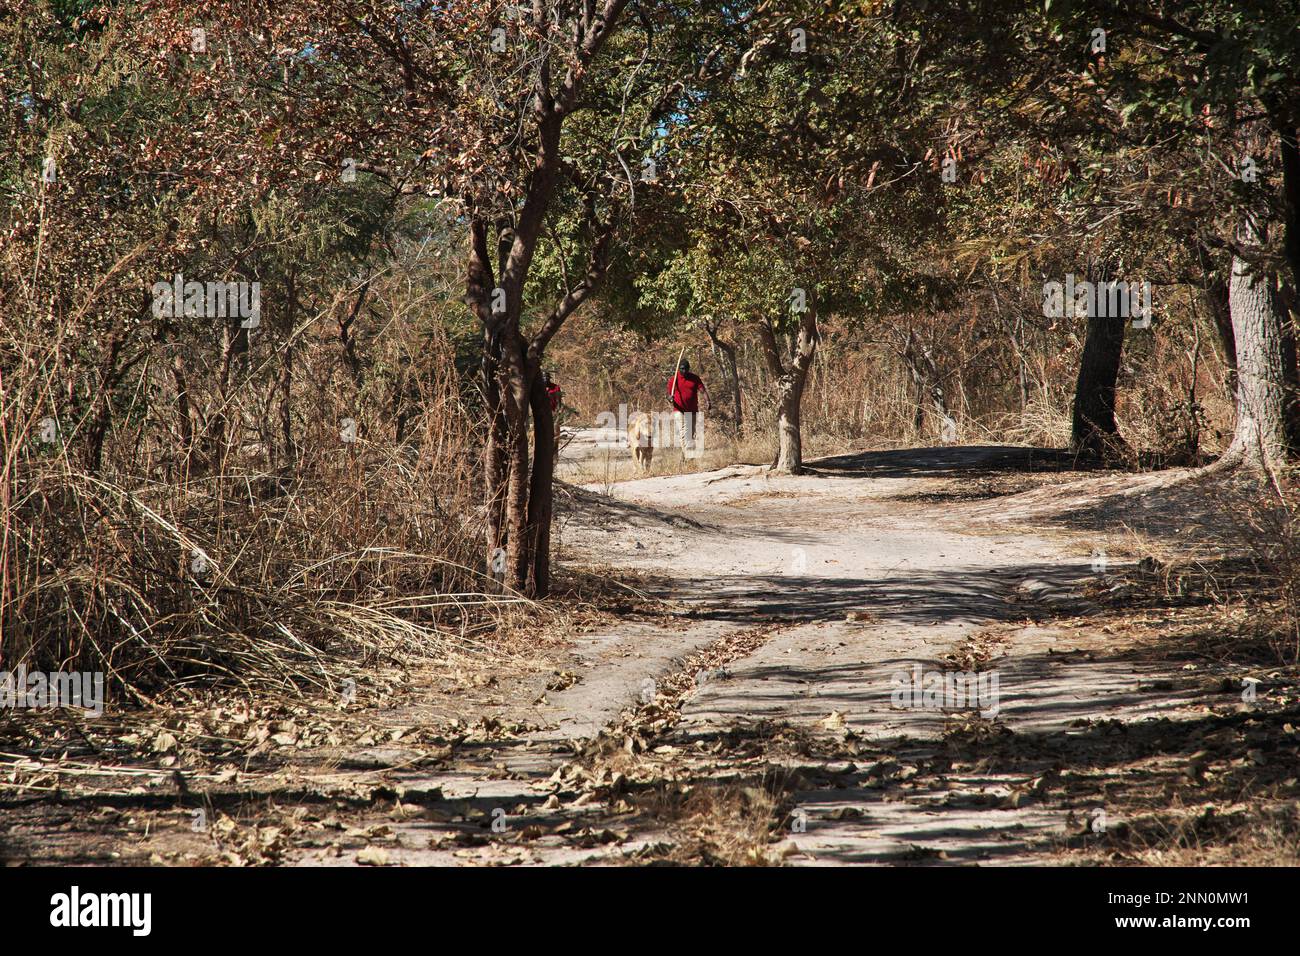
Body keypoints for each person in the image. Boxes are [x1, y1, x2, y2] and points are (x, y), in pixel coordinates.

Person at [666, 358, 709, 457]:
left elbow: (702, 390)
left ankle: (686, 454)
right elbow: (668, 394)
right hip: (679, 410)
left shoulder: (694, 378)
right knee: (683, 432)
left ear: (689, 368)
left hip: (692, 410)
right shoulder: (673, 379)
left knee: (690, 433)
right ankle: (687, 454)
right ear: (679, 369)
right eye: (682, 369)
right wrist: (670, 398)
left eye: (686, 369)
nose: (684, 371)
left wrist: (707, 400)